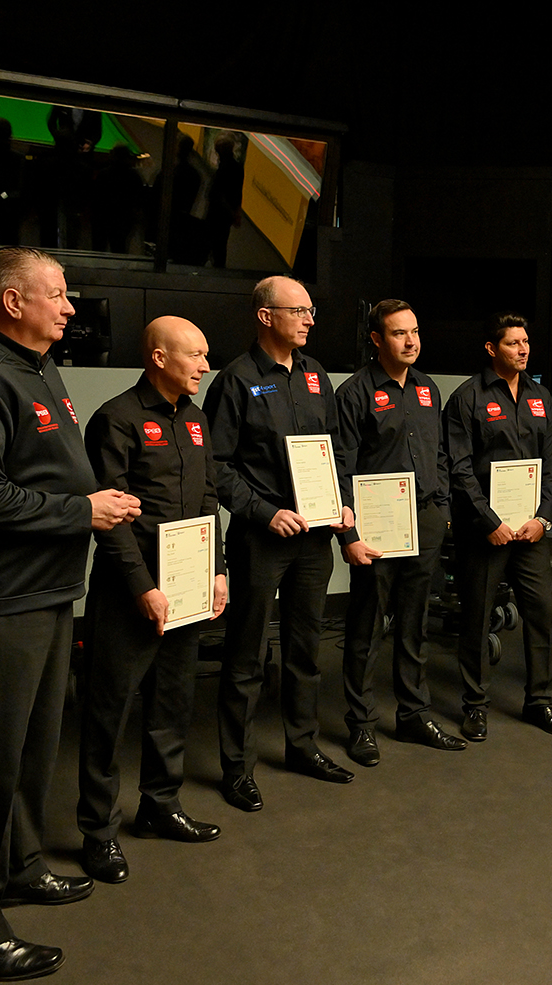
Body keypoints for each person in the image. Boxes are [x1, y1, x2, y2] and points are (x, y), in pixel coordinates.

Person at [0, 247, 141, 981]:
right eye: (56, 294)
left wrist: (82, 509)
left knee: (29, 751)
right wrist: (81, 510)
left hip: (48, 593)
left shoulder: (39, 369)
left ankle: (19, 865)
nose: (70, 306)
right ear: (12, 303)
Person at [76, 316, 229, 886]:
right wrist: (142, 586)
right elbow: (108, 518)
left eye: (206, 354)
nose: (205, 365)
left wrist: (217, 570)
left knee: (173, 701)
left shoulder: (195, 420)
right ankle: (98, 832)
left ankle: (161, 806)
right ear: (160, 358)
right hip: (129, 591)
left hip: (189, 584)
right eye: (195, 355)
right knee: (107, 710)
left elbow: (209, 498)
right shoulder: (117, 419)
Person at [205, 275, 354, 811]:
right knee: (247, 654)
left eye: (312, 311)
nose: (311, 320)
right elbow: (216, 467)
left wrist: (342, 501)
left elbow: (335, 451)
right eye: (300, 311)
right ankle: (237, 767)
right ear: (266, 316)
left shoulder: (316, 376)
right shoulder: (236, 381)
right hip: (262, 537)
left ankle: (302, 745)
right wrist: (266, 513)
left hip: (314, 538)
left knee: (306, 649)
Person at [335, 300, 468, 765]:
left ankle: (413, 714)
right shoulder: (354, 393)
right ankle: (362, 725)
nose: (410, 341)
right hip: (377, 527)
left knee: (415, 627)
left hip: (425, 521)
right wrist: (348, 534)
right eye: (398, 334)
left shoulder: (428, 389)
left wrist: (444, 508)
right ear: (377, 340)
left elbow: (441, 455)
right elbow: (343, 467)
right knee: (367, 628)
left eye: (414, 332)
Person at [444, 313, 552, 740]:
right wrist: (489, 521)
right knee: (477, 617)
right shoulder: (467, 398)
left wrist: (544, 518)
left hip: (531, 531)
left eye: (526, 342)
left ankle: (540, 702)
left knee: (542, 614)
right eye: (513, 343)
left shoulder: (540, 396)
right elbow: (458, 469)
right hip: (485, 532)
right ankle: (475, 705)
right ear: (492, 349)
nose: (523, 349)